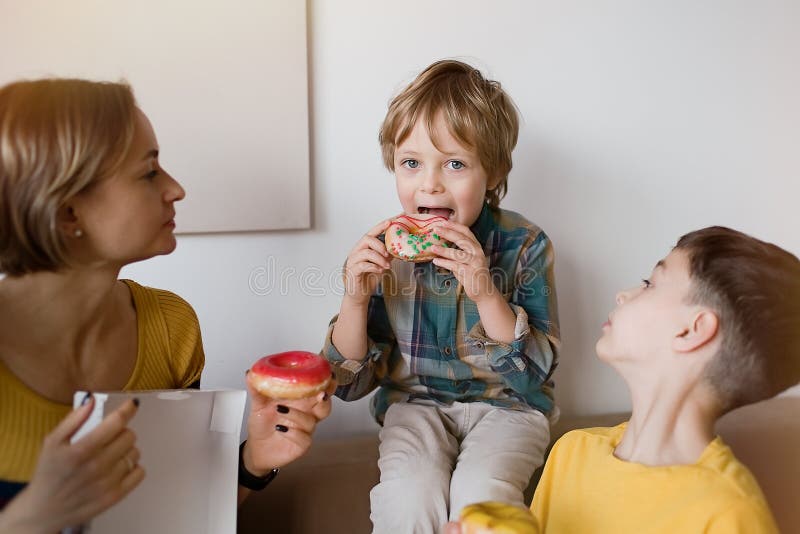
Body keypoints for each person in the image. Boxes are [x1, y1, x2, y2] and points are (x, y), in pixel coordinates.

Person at [0, 78, 332, 532]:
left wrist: (254, 460)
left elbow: (181, 513)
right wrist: (37, 514)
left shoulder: (172, 326)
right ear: (67, 211)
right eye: (149, 172)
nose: (176, 189)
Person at [321, 59, 560, 532]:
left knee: (479, 501)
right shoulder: (382, 252)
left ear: (492, 174)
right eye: (412, 163)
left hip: (509, 408)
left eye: (454, 163)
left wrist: (484, 289)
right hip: (416, 408)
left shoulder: (525, 244)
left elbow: (534, 376)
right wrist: (353, 301)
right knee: (408, 499)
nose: (429, 183)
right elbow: (346, 385)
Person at [524, 226, 796, 532]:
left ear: (691, 330)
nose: (623, 294)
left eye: (649, 284)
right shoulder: (571, 453)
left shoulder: (730, 512)